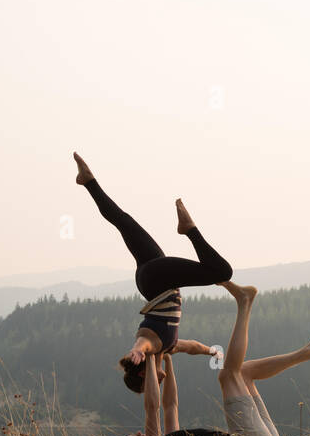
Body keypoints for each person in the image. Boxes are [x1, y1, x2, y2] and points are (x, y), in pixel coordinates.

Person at [107, 280, 310, 436]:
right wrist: (152, 361)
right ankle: (244, 303)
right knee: (228, 374)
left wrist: (166, 359)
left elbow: (170, 405)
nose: (136, 434)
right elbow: (151, 408)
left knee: (244, 373)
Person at [73, 152, 229, 392]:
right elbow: (191, 346)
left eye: (154, 382)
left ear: (144, 372)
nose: (161, 380)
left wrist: (137, 350)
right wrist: (211, 351)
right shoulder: (167, 347)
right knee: (124, 222)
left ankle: (189, 230)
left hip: (157, 282)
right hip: (152, 278)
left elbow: (142, 343)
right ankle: (88, 181)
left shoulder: (152, 344)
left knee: (221, 272)